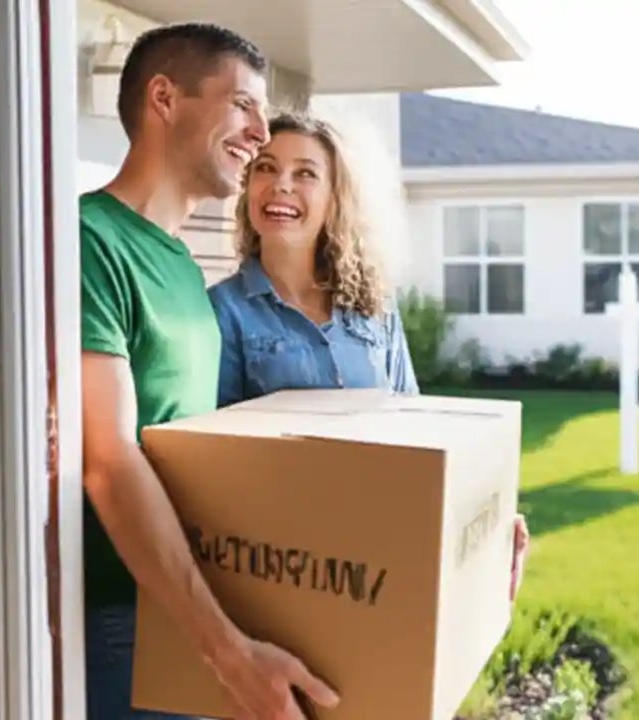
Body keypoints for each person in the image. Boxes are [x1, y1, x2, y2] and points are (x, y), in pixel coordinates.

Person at [78, 24, 339, 720]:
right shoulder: (87, 241)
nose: (260, 133)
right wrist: (226, 650)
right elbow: (108, 460)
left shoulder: (185, 270)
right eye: (243, 105)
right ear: (164, 98)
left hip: (185, 615)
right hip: (121, 624)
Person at [208, 110, 531, 600]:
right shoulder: (224, 312)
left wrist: (487, 517)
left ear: (335, 198)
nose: (281, 186)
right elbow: (213, 460)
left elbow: (415, 427)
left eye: (305, 174)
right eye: (266, 168)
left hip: (382, 549)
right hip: (284, 565)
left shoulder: (374, 307)